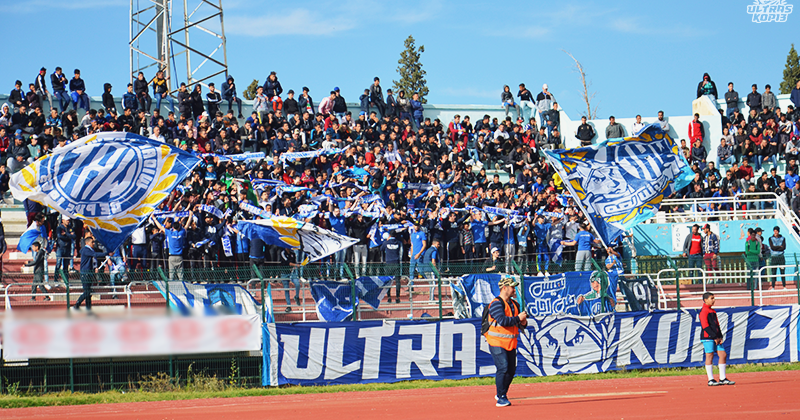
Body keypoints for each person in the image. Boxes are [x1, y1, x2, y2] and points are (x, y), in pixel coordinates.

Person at [484, 275, 527, 407]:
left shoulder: (515, 304)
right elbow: (503, 321)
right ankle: (501, 397)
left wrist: (523, 322)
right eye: (512, 287)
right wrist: (519, 318)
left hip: (510, 342)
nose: (514, 290)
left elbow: (520, 324)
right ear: (504, 288)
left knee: (511, 370)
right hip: (496, 341)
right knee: (502, 367)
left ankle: (501, 392)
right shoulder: (496, 303)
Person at [700, 292, 735, 386]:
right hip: (708, 337)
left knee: (723, 354)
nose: (714, 300)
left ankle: (722, 378)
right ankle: (710, 379)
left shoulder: (713, 311)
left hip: (716, 337)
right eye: (711, 298)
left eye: (714, 298)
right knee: (709, 356)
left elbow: (717, 325)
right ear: (705, 300)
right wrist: (714, 337)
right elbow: (705, 327)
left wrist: (720, 337)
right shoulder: (704, 311)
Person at [74, 236, 108, 313]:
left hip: (89, 273)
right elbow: (95, 255)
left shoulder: (89, 250)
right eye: (92, 242)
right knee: (87, 291)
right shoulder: (86, 250)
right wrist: (106, 253)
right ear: (87, 243)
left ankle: (88, 308)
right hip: (85, 273)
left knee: (88, 292)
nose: (93, 243)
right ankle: (77, 304)